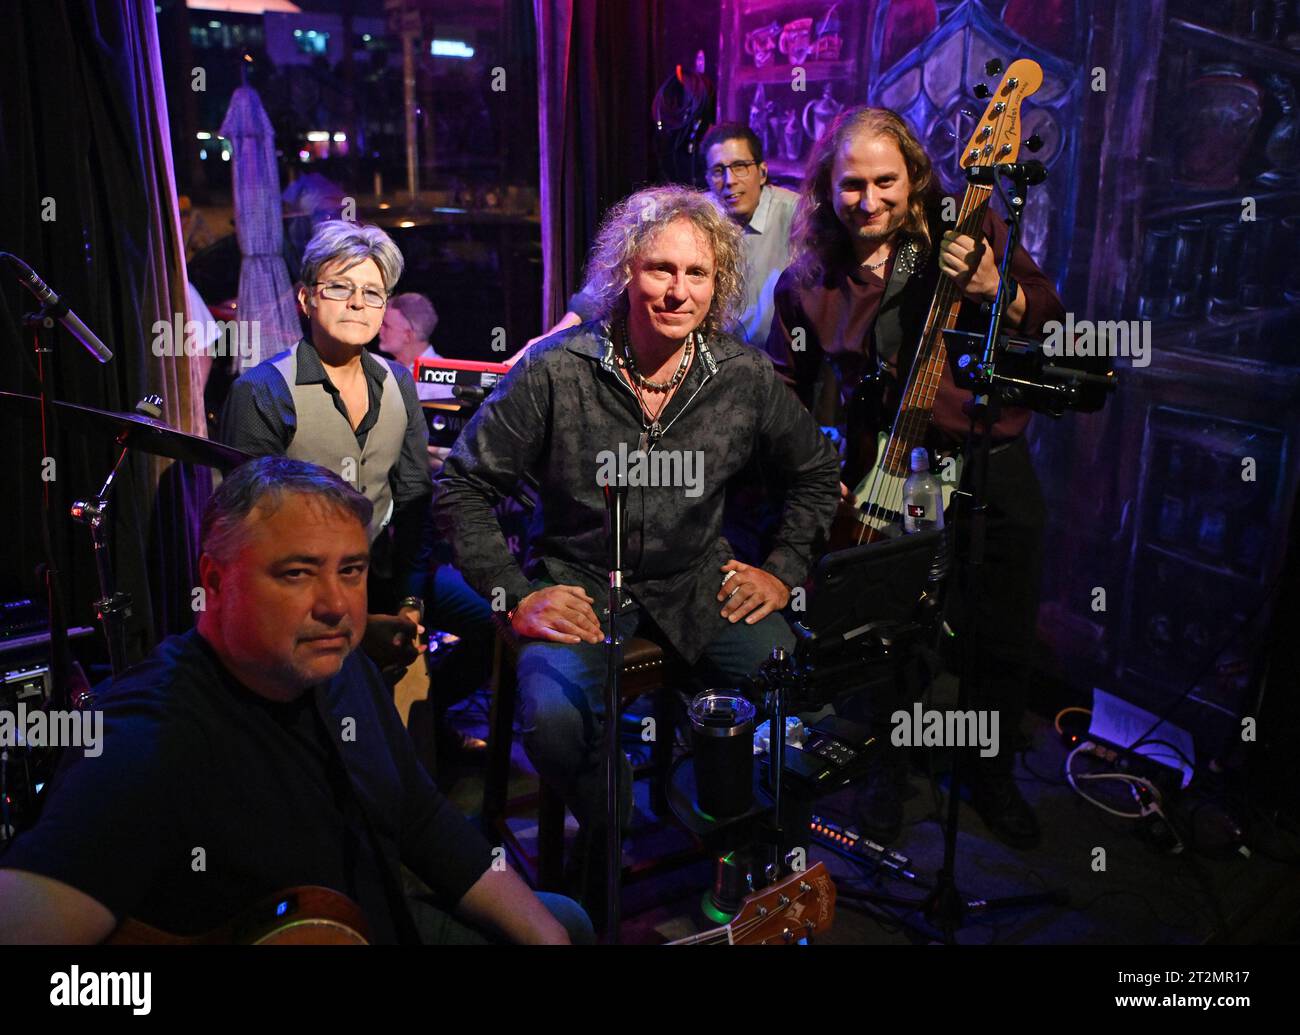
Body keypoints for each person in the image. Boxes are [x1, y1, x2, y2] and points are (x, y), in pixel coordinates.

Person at [432, 185, 840, 912]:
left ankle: (725, 830)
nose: (678, 290)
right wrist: (515, 591)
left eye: (697, 274)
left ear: (718, 286)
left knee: (797, 687)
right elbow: (461, 484)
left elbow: (815, 470)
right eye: (660, 269)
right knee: (554, 723)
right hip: (581, 582)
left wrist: (783, 570)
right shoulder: (557, 369)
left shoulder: (740, 376)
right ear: (625, 272)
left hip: (696, 580)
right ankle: (612, 817)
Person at [0, 457, 591, 944]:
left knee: (566, 920)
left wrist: (545, 939)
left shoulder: (343, 664)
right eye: (297, 574)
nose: (335, 604)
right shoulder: (144, 737)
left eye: (352, 570)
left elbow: (422, 818)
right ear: (215, 579)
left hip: (383, 921)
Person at [764, 107, 1067, 850]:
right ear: (827, 188)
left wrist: (999, 288)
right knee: (892, 636)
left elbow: (1053, 324)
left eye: (886, 182)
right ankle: (885, 771)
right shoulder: (808, 279)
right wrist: (809, 470)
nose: (870, 202)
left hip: (989, 464)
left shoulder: (969, 232)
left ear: (917, 177)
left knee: (1000, 634)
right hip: (888, 472)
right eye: (852, 185)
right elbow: (784, 390)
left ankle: (991, 776)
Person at [218, 220, 429, 681]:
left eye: (373, 293)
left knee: (490, 621)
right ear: (305, 298)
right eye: (340, 288)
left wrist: (409, 603)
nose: (358, 302)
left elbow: (414, 498)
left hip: (383, 572)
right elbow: (250, 532)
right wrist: (351, 620)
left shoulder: (400, 382)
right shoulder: (261, 391)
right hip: (298, 589)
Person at [526, 124, 797, 352]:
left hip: (773, 366)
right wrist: (552, 338)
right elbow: (608, 282)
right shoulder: (695, 214)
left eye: (740, 167)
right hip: (709, 363)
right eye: (718, 171)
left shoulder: (794, 214)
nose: (729, 180)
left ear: (762, 173)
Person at [378, 291, 496, 771]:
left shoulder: (440, 383)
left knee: (491, 624)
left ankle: (431, 714)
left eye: (386, 322)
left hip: (424, 545)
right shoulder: (382, 382)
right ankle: (412, 733)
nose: (379, 329)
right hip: (378, 558)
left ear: (409, 329)